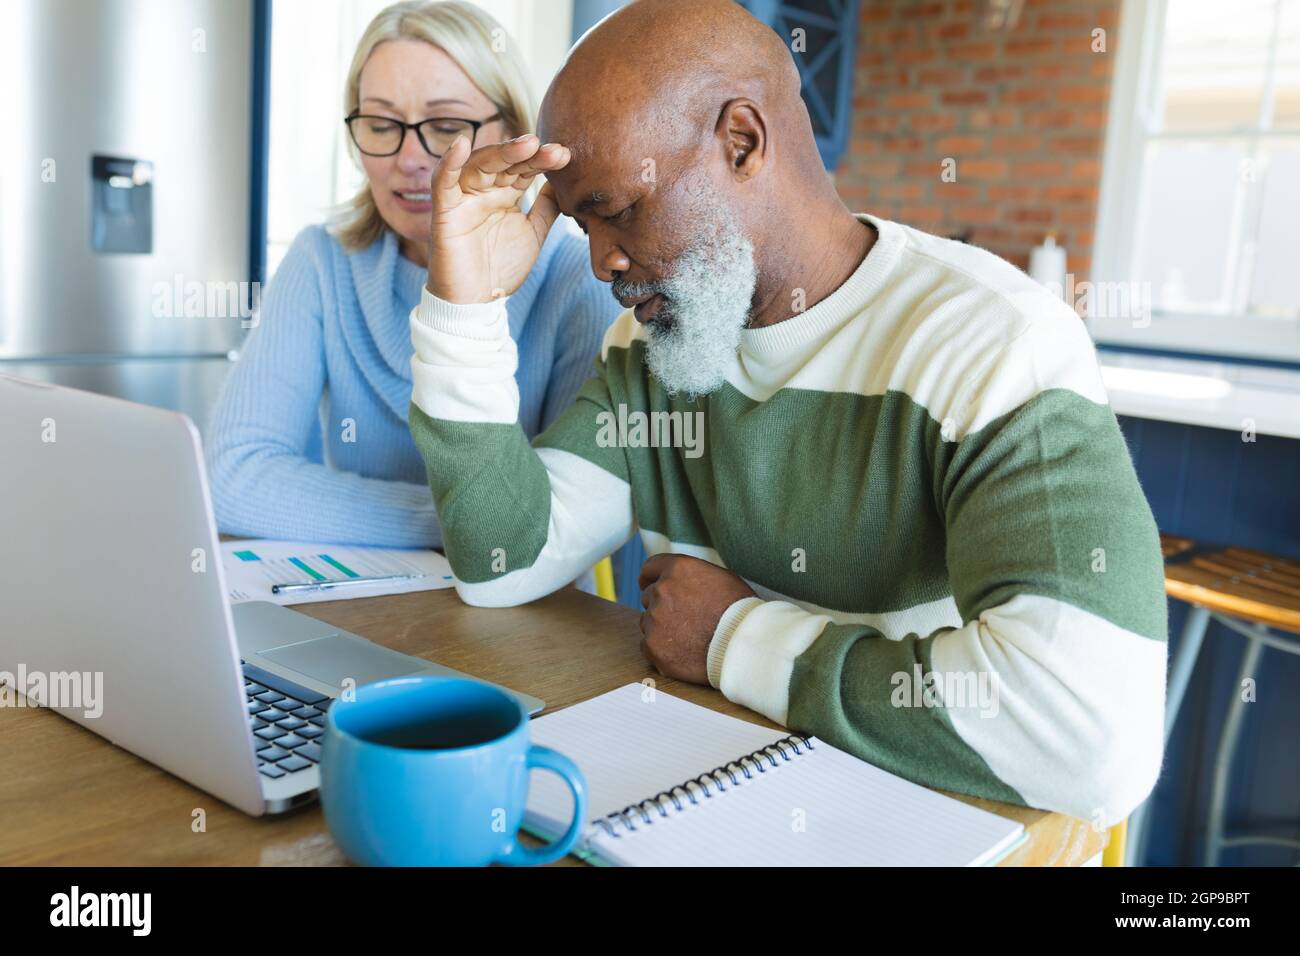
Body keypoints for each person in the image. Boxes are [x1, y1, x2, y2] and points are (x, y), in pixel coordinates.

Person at [405, 0, 1167, 825]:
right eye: (581, 222)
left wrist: (734, 639)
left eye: (618, 209)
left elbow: (1092, 738)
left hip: (931, 820)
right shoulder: (651, 346)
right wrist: (466, 304)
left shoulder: (994, 343)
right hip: (718, 803)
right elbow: (499, 563)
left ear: (743, 141)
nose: (601, 263)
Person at [206, 0, 617, 551]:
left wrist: (505, 528)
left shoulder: (577, 281)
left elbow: (566, 522)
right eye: (380, 125)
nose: (409, 159)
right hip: (365, 606)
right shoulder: (321, 262)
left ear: (515, 132)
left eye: (446, 127)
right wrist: (469, 524)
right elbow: (232, 478)